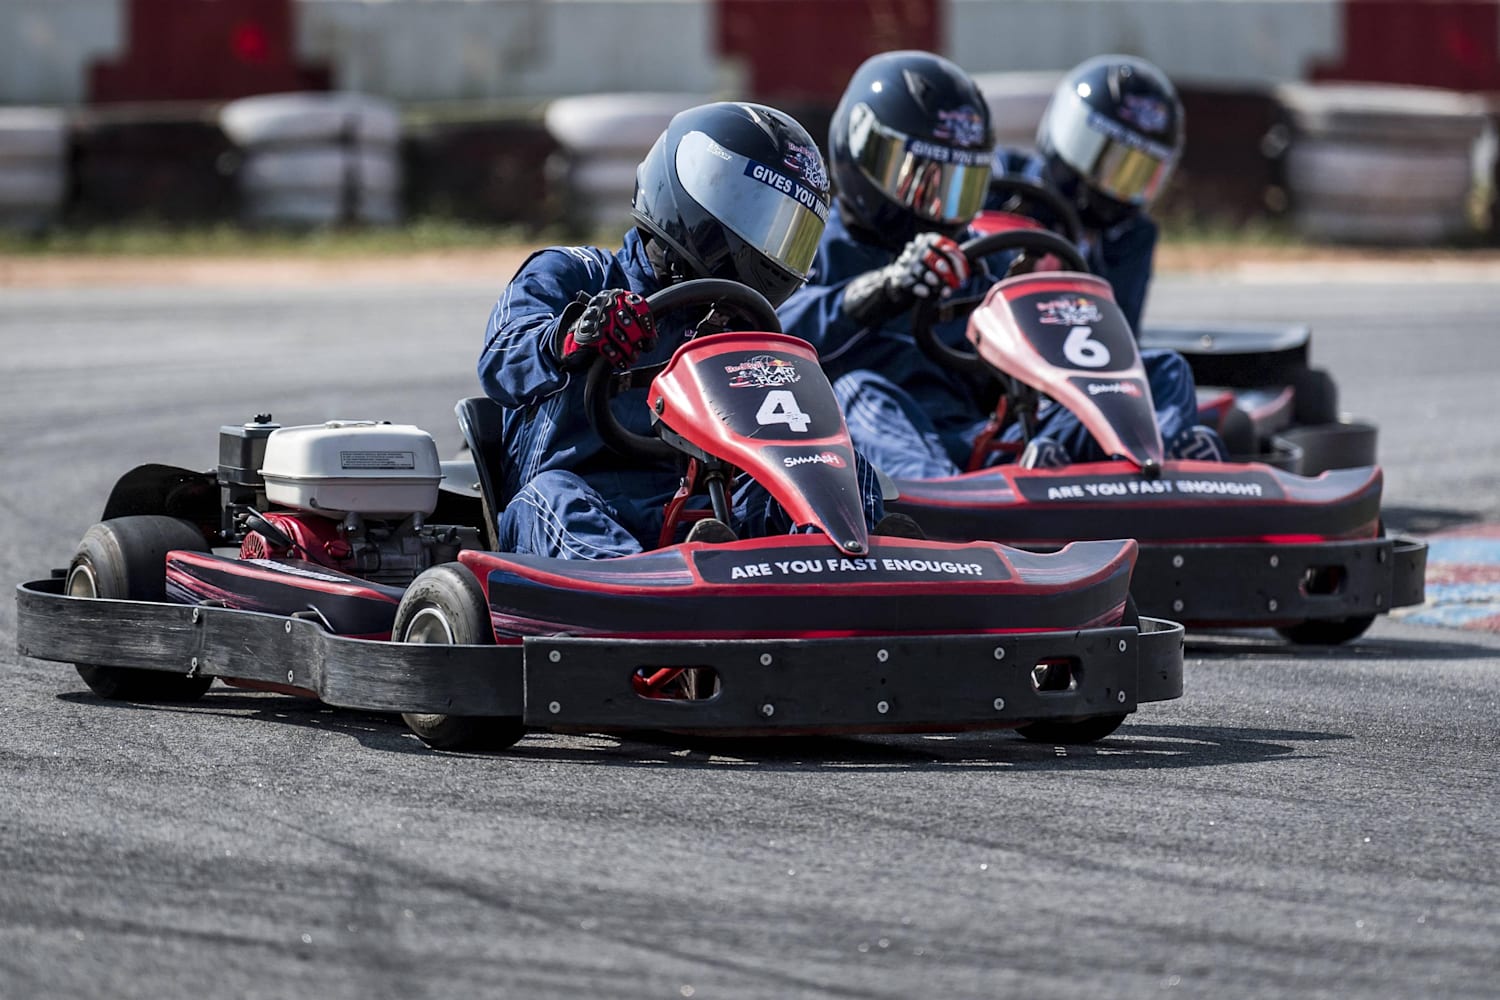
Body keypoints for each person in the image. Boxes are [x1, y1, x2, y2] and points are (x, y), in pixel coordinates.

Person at [778, 50, 1221, 480]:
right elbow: (774, 339)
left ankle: (1151, 466)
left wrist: (1032, 313)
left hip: (982, 439)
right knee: (858, 391)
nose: (939, 209)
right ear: (862, 151)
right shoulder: (819, 241)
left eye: (958, 185)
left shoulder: (981, 257)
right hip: (885, 445)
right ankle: (950, 504)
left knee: (1164, 370)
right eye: (921, 180)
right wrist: (887, 287)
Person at [478, 101, 888, 560]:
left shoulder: (739, 325)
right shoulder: (574, 272)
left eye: (785, 231)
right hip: (575, 499)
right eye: (756, 216)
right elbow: (500, 361)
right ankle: (638, 594)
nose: (771, 247)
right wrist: (576, 336)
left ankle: (858, 570)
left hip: (695, 513)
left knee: (837, 470)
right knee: (552, 499)